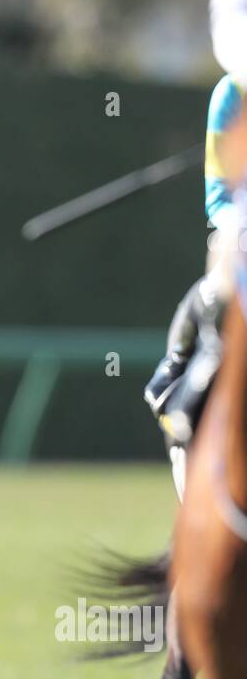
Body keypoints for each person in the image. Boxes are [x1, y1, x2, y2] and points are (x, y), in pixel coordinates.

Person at [143, 74, 240, 453]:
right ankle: (178, 379)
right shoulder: (234, 93)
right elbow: (221, 201)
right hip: (241, 236)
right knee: (217, 290)